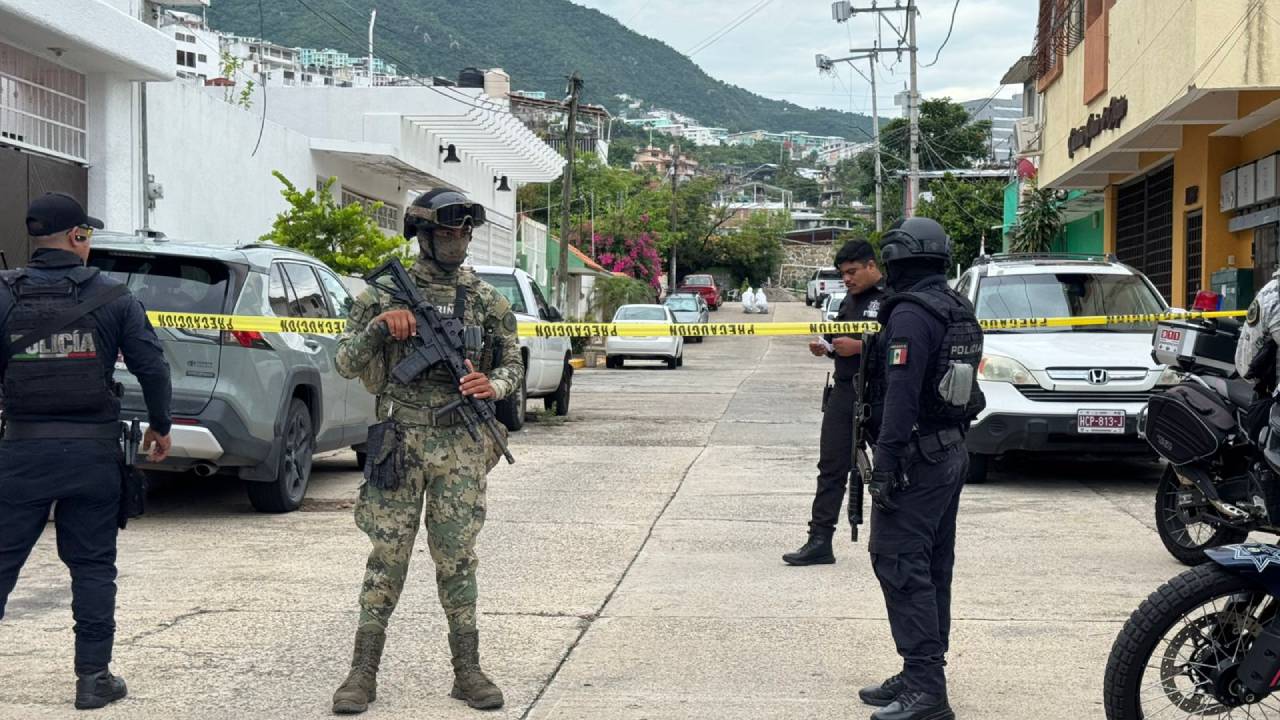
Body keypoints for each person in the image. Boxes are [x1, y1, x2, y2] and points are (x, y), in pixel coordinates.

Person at [331, 188, 523, 715]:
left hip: (461, 445)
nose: (458, 240)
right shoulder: (381, 296)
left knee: (457, 559)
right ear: (422, 234)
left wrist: (493, 385)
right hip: (400, 442)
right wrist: (379, 329)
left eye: (465, 232)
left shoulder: (486, 299)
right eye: (447, 231)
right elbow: (345, 362)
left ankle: (468, 671)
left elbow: (513, 363)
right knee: (386, 559)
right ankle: (362, 672)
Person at [0, 192, 172, 710]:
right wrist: (161, 427)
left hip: (22, 451)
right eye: (87, 234)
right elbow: (152, 367)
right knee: (93, 567)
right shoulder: (115, 296)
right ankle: (93, 679)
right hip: (92, 455)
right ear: (77, 237)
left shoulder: (4, 294)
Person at [857, 217, 984, 720]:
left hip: (916, 459)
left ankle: (927, 688)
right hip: (948, 451)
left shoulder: (911, 313)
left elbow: (902, 397)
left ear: (894, 261)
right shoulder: (955, 305)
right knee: (932, 566)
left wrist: (885, 467)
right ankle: (919, 672)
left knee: (899, 563)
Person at [783, 239, 885, 566]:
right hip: (844, 393)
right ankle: (819, 540)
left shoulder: (891, 299)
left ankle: (898, 540)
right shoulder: (847, 302)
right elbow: (837, 338)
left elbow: (903, 344)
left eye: (852, 272)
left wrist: (861, 348)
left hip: (882, 394)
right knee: (831, 468)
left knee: (893, 467)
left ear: (871, 265)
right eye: (843, 274)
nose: (847, 279)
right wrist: (826, 347)